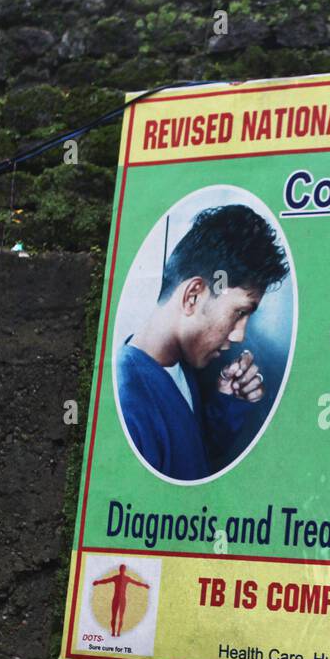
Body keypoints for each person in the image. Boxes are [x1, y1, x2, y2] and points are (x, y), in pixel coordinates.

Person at [117, 204, 289, 480]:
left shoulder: (179, 369)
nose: (239, 336)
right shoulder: (130, 405)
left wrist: (227, 402)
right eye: (239, 313)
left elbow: (193, 456)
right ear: (193, 296)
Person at [92, 565, 149, 636]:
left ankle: (118, 632)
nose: (122, 570)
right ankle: (113, 632)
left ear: (124, 570)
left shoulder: (126, 578)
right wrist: (97, 582)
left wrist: (144, 585)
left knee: (121, 617)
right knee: (114, 616)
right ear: (120, 569)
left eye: (123, 569)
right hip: (116, 598)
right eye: (121, 569)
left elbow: (136, 583)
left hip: (122, 599)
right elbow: (106, 581)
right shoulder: (116, 577)